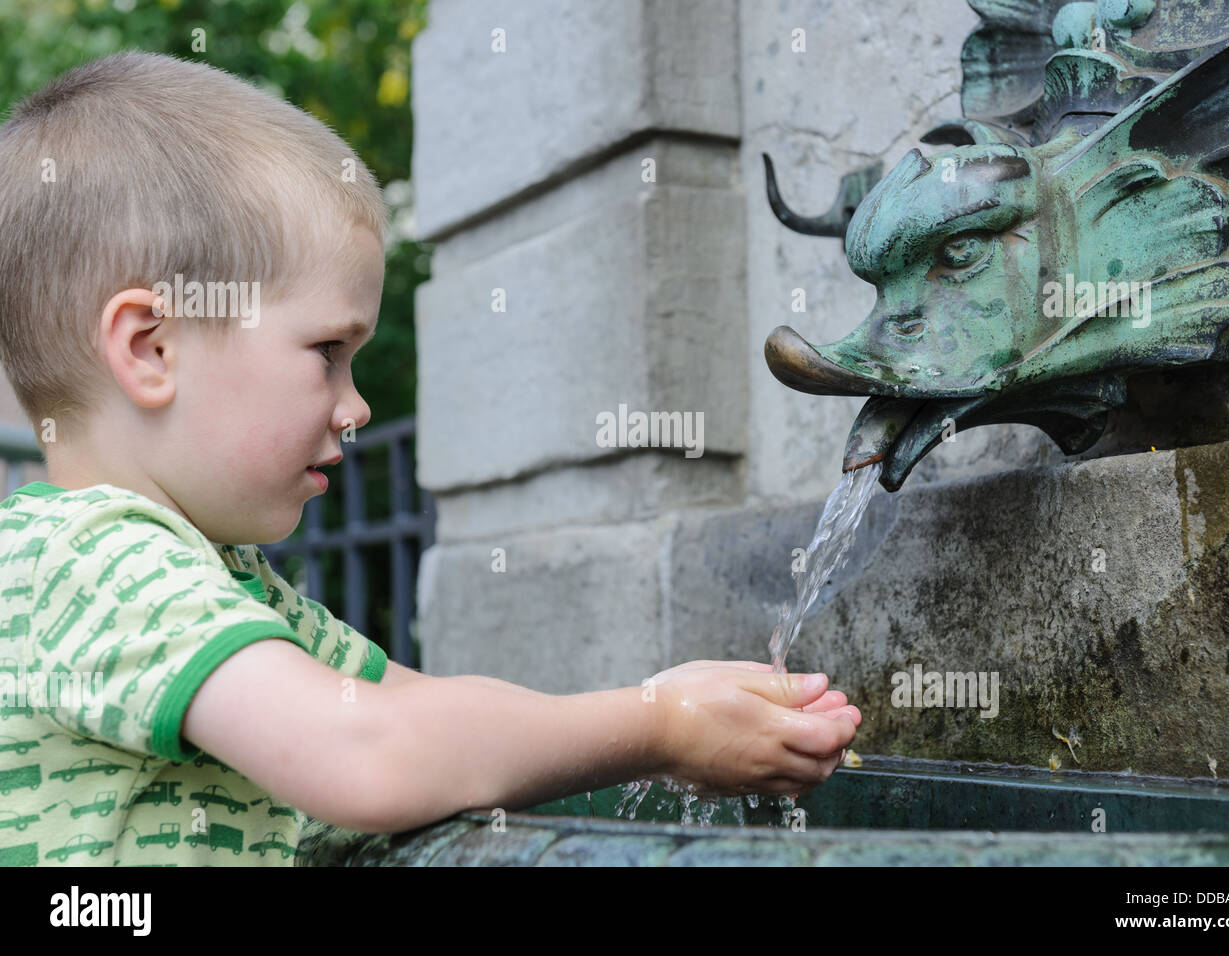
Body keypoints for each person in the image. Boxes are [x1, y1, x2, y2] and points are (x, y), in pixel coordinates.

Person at [0, 51, 861, 866]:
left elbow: (414, 707)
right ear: (151, 348)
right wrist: (660, 729)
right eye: (328, 351)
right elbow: (364, 754)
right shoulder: (82, 561)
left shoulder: (224, 578)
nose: (357, 406)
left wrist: (664, 701)